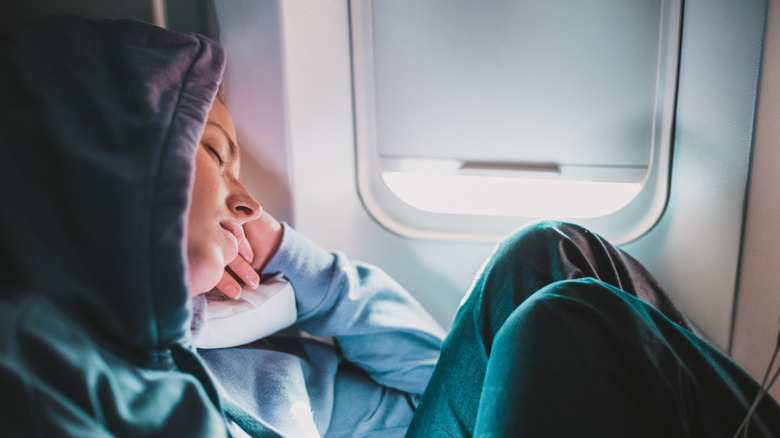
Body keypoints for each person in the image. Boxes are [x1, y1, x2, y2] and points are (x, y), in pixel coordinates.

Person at [1, 14, 779, 438]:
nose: (244, 199)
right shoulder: (53, 356)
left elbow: (422, 379)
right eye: (214, 156)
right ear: (121, 178)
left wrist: (298, 268)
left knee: (548, 255)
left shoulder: (246, 348)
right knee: (566, 326)